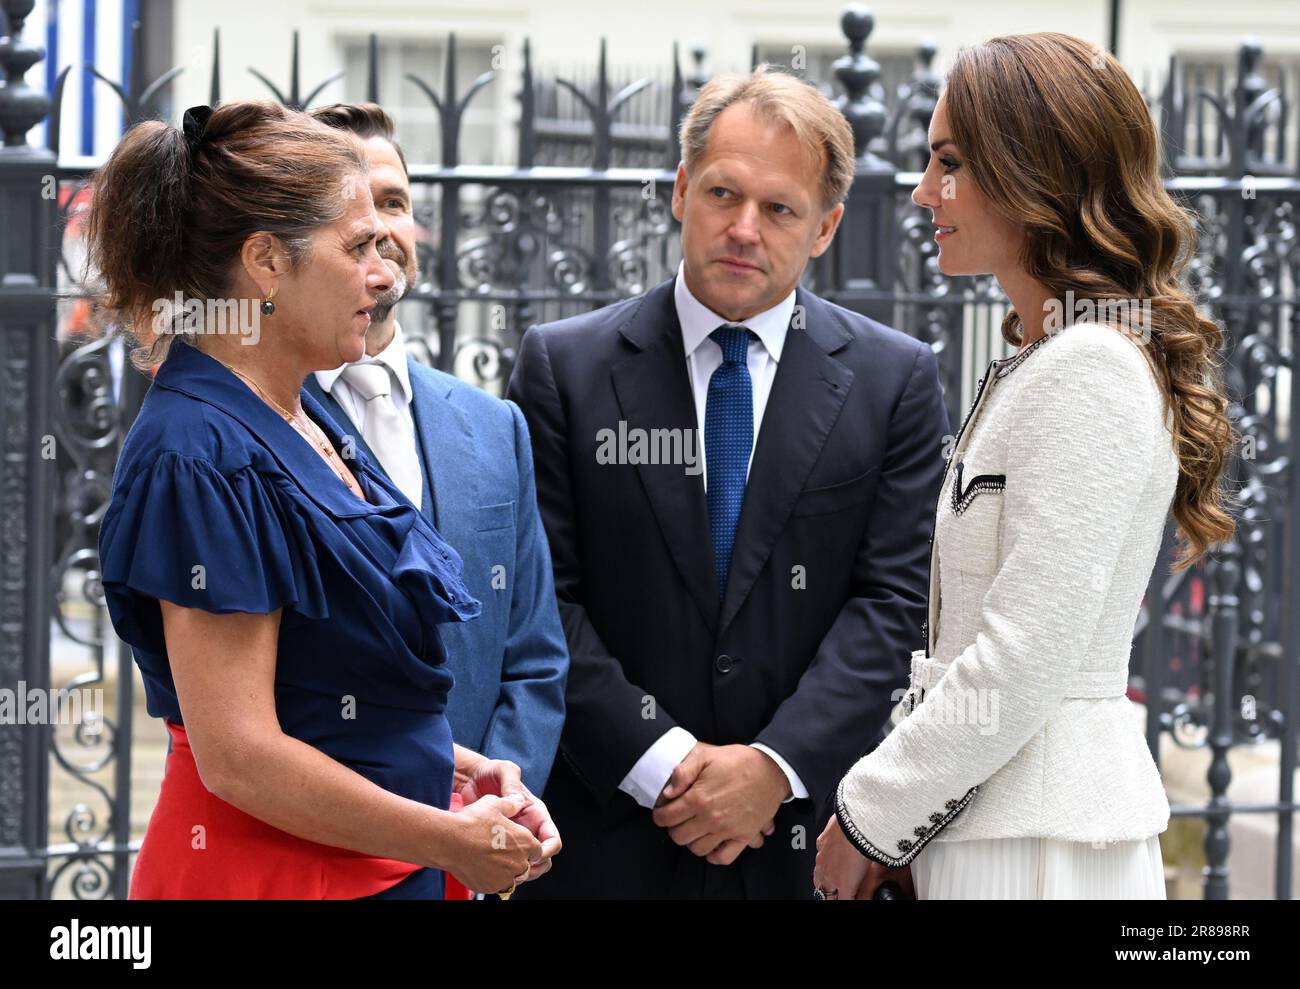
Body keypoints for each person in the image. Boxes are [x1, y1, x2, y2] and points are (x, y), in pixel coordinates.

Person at [92, 100, 558, 899]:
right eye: (359, 247)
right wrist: (446, 837)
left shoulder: (299, 414)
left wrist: (459, 767)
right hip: (274, 878)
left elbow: (326, 696)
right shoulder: (200, 453)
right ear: (267, 261)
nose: (388, 272)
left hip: (374, 869)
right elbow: (240, 754)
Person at [506, 66, 950, 898]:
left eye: (779, 208)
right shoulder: (564, 367)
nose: (744, 228)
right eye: (721, 193)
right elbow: (538, 597)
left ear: (825, 228)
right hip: (606, 841)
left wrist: (772, 769)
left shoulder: (897, 381)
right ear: (679, 191)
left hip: (799, 846)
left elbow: (892, 600)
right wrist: (663, 761)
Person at [815, 32, 1235, 900]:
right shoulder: (1055, 359)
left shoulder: (1088, 369)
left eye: (950, 162)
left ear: (1031, 171)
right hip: (1001, 824)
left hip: (1039, 850)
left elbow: (1020, 660)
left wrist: (868, 812)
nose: (927, 191)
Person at [303, 103, 568, 800]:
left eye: (393, 202)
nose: (378, 227)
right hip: (329, 843)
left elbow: (535, 658)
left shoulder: (496, 426)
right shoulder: (261, 416)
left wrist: (501, 802)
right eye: (348, 206)